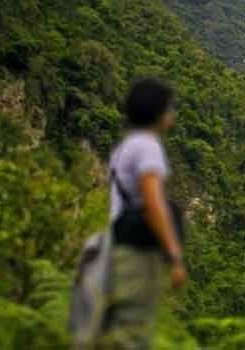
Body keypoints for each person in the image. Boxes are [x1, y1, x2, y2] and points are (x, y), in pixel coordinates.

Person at [96, 78, 187, 349]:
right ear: (158, 112)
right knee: (132, 336)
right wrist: (175, 255)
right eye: (170, 107)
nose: (173, 113)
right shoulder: (148, 146)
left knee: (119, 329)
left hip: (119, 246)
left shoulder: (125, 146)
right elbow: (152, 203)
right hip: (137, 252)